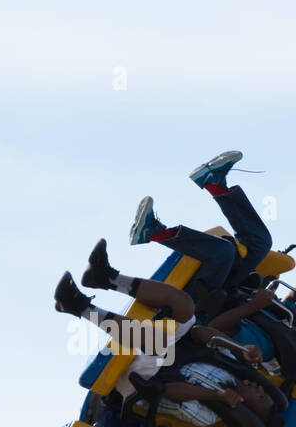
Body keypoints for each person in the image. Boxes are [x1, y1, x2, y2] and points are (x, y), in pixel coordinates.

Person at [54, 239, 261, 401]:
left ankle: (78, 306)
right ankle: (106, 278)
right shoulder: (235, 369)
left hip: (146, 382)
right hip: (172, 350)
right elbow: (199, 333)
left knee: (158, 342)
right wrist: (239, 347)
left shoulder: (214, 415)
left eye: (261, 397)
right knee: (185, 305)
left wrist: (216, 396)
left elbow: (169, 391)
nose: (260, 388)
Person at [129, 151, 275, 296]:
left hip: (203, 309)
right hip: (233, 292)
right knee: (261, 242)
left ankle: (153, 234)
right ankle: (213, 183)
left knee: (224, 251)